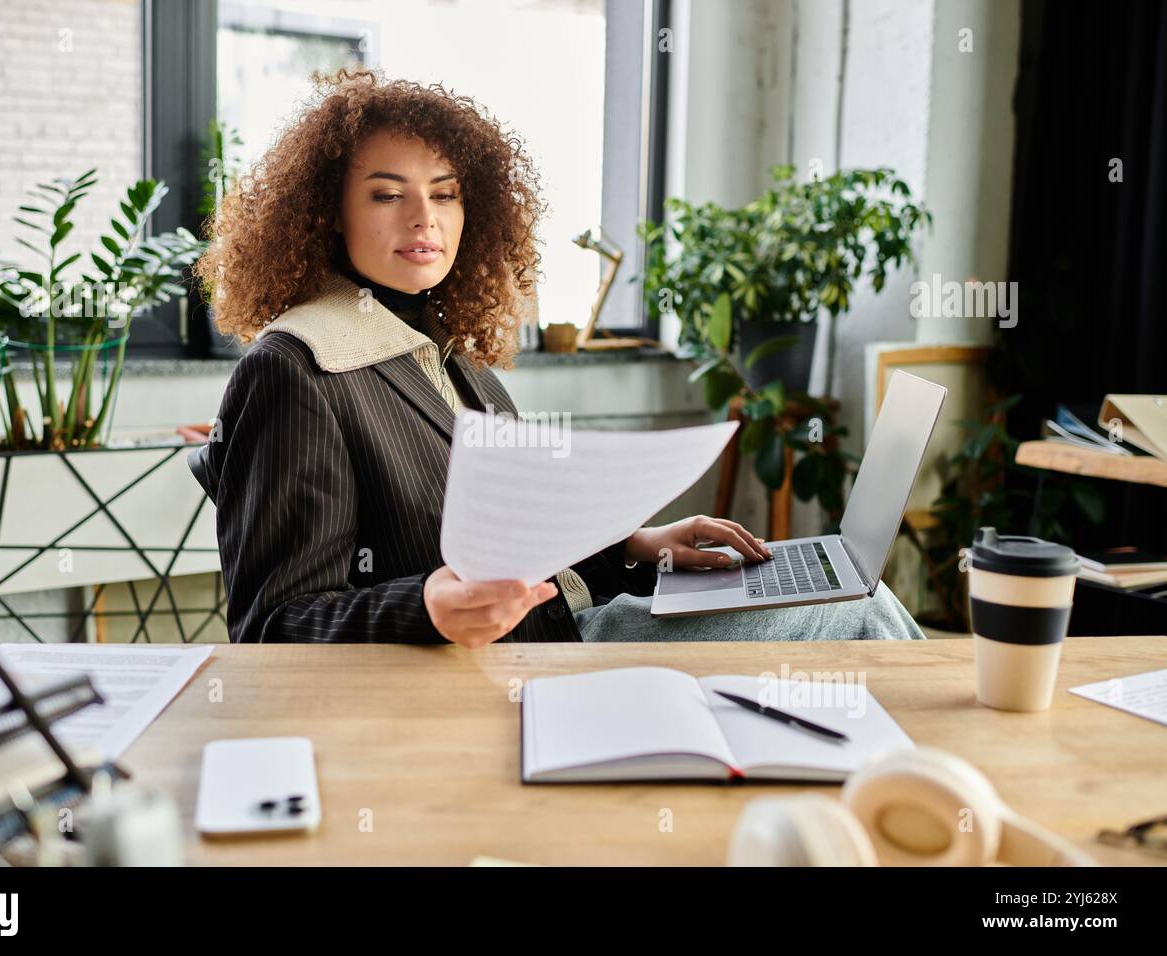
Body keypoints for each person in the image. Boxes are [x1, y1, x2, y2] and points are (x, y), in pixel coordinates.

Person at [196, 68, 923, 646]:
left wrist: (640, 549)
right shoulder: (297, 368)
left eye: (445, 195)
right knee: (857, 614)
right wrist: (427, 608)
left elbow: (521, 541)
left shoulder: (450, 349)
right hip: (537, 659)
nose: (425, 218)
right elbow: (272, 629)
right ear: (326, 216)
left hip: (583, 614)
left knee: (853, 595)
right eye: (388, 194)